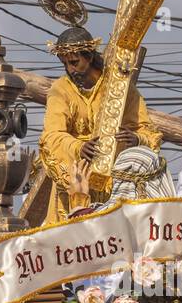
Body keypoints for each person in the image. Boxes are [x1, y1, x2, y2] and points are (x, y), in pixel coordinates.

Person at [39, 23, 164, 223]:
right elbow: (51, 136)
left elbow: (147, 131)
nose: (70, 70)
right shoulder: (60, 89)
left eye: (74, 62)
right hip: (76, 181)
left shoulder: (120, 88)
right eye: (65, 64)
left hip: (116, 182)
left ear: (89, 57)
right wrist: (79, 147)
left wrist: (136, 139)